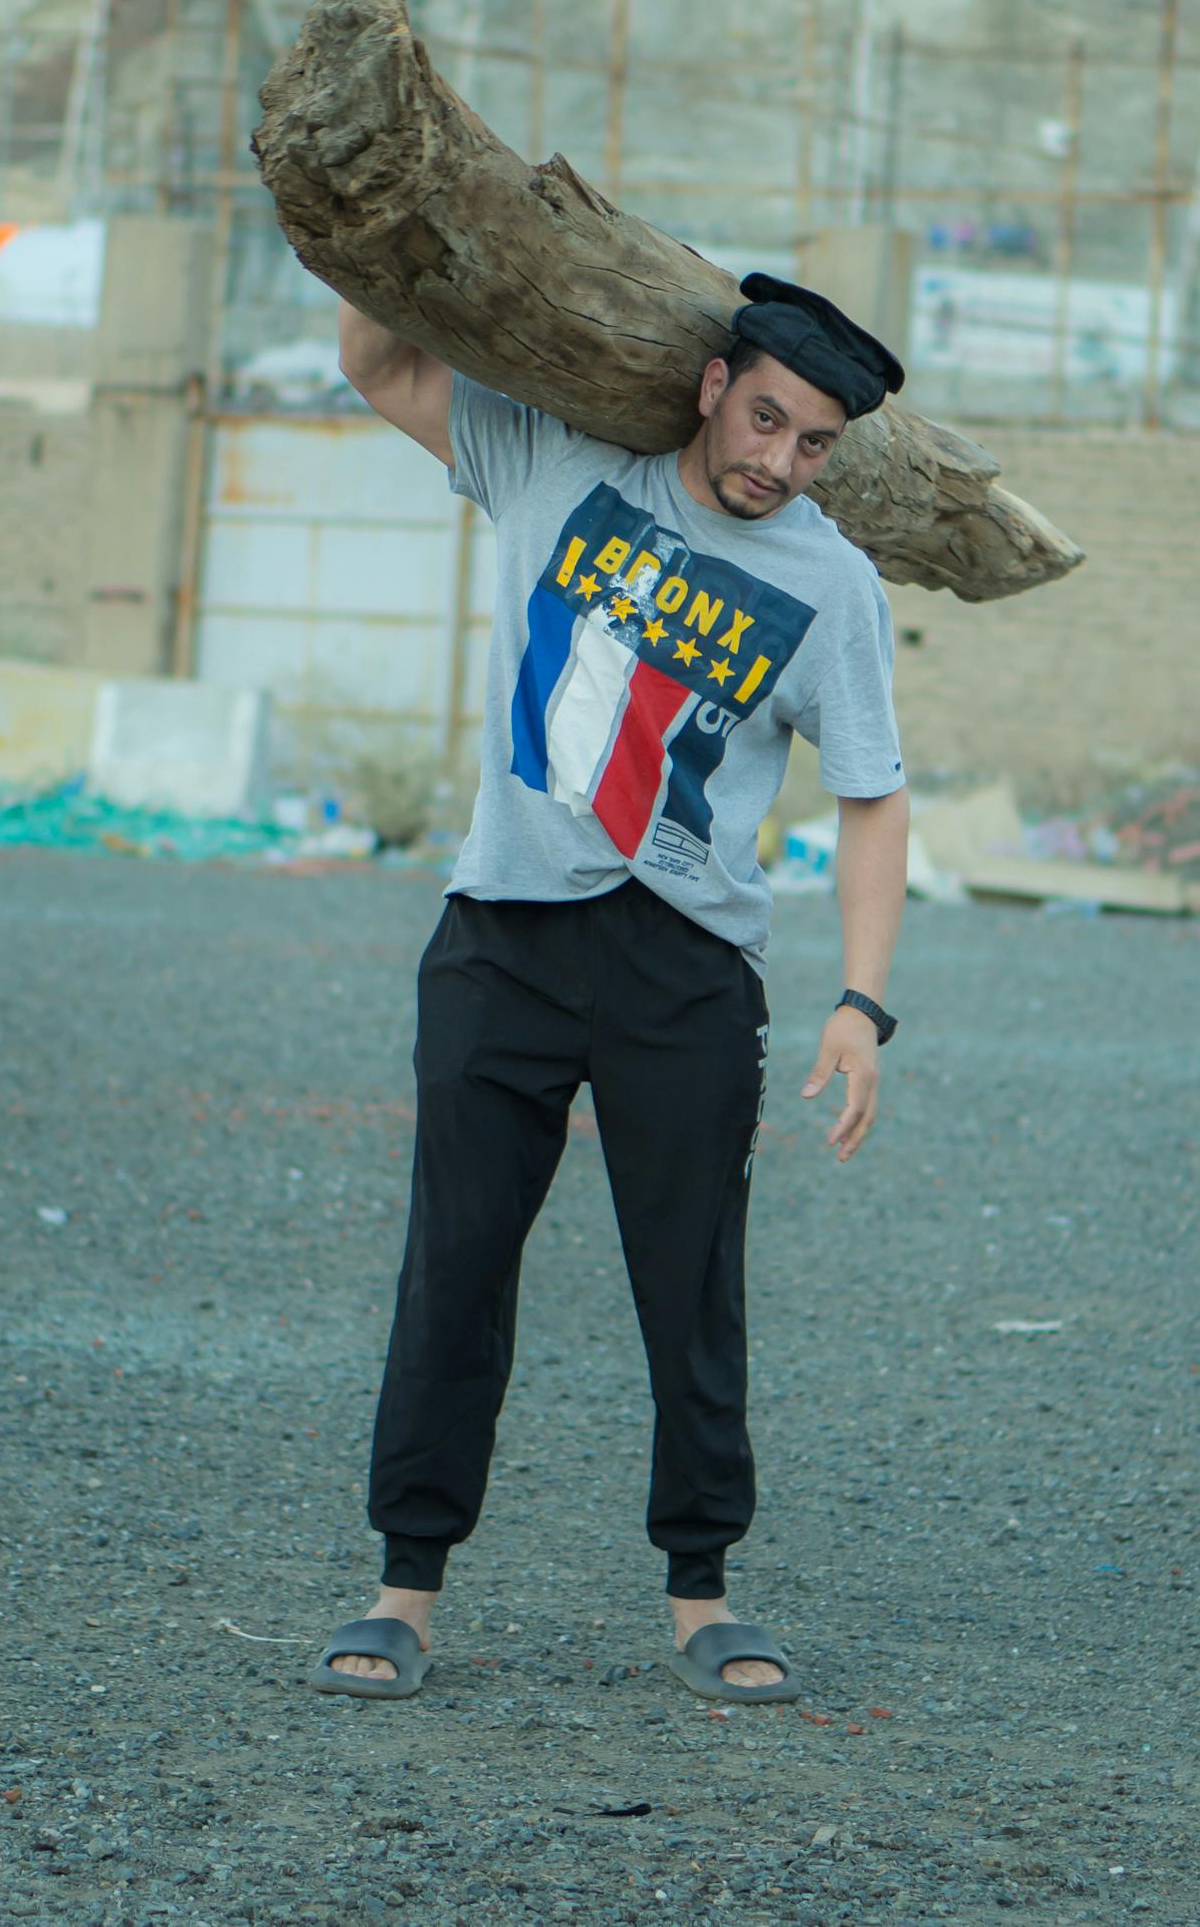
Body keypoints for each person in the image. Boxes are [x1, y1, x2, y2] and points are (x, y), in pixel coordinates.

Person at [311, 275, 911, 1704]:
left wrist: (860, 1001)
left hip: (688, 969)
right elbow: (380, 355)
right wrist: (387, 226)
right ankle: (406, 1589)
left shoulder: (833, 586)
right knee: (453, 1263)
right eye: (766, 417)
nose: (778, 460)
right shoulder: (552, 458)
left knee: (689, 1282)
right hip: (502, 939)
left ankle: (704, 1596)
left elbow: (874, 799)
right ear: (712, 384)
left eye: (813, 442)